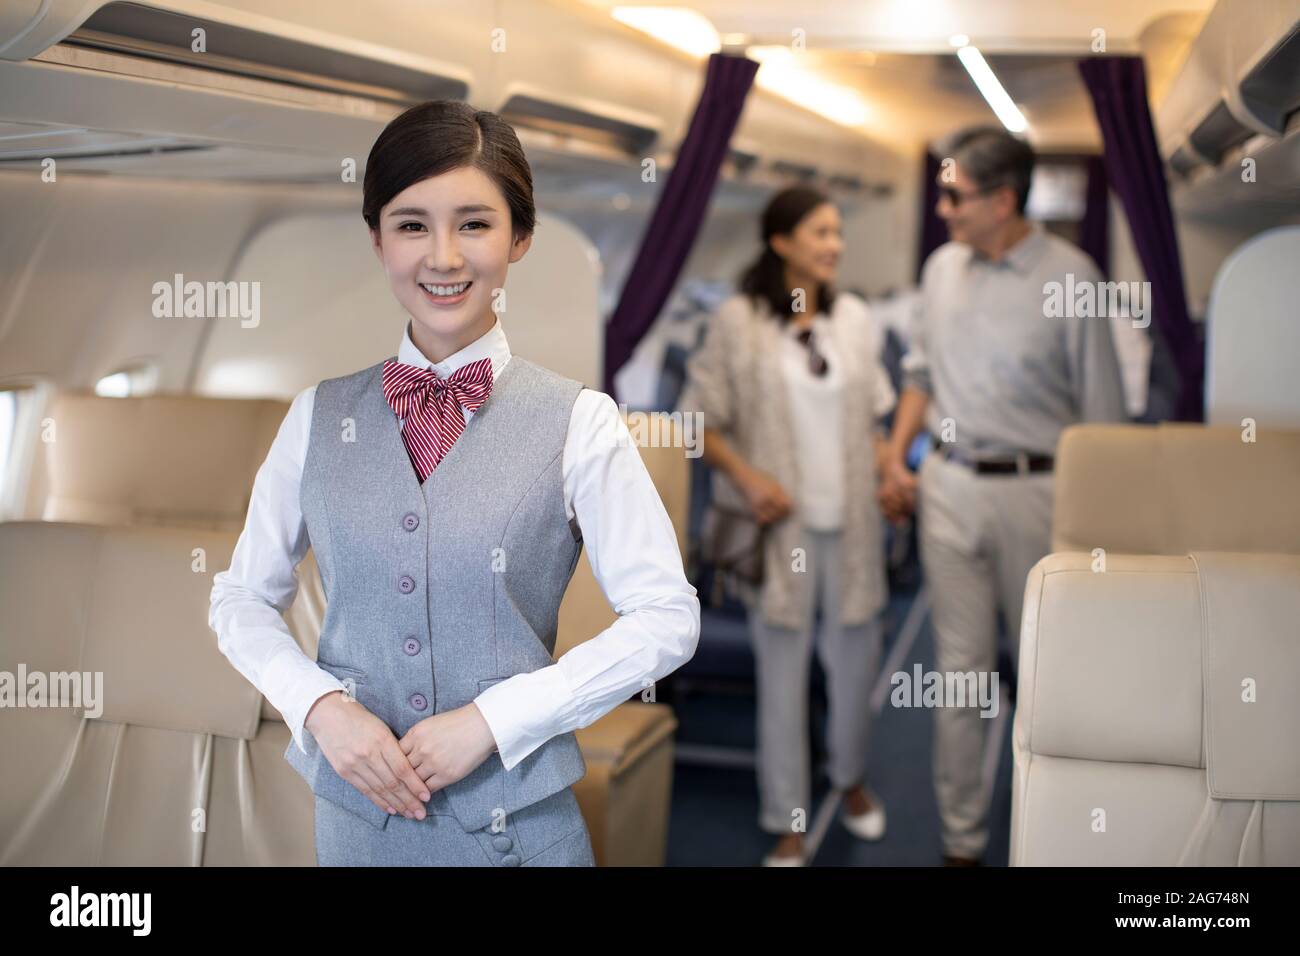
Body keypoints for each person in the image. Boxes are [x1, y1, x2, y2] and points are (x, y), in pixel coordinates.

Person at [208, 99, 700, 867]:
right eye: (412, 225)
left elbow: (668, 617)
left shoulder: (582, 421)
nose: (442, 257)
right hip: (354, 828)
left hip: (519, 832)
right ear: (377, 240)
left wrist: (496, 720)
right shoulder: (315, 415)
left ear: (520, 238)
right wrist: (320, 708)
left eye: (474, 223)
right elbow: (239, 597)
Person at [878, 126, 1127, 866]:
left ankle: (1052, 832)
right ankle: (962, 842)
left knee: (1048, 674)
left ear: (1004, 198)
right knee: (960, 679)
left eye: (955, 196)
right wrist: (895, 460)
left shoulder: (1073, 277)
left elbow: (1103, 418)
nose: (944, 209)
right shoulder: (940, 270)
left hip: (1041, 493)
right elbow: (919, 375)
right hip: (950, 484)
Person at [678, 186, 896, 866]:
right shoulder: (739, 322)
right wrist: (747, 478)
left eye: (837, 233)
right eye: (820, 233)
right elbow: (693, 422)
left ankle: (851, 781)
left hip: (854, 525)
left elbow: (877, 418)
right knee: (782, 675)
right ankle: (790, 819)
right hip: (783, 532)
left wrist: (893, 471)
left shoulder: (855, 319)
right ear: (780, 242)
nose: (834, 245)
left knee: (856, 664)